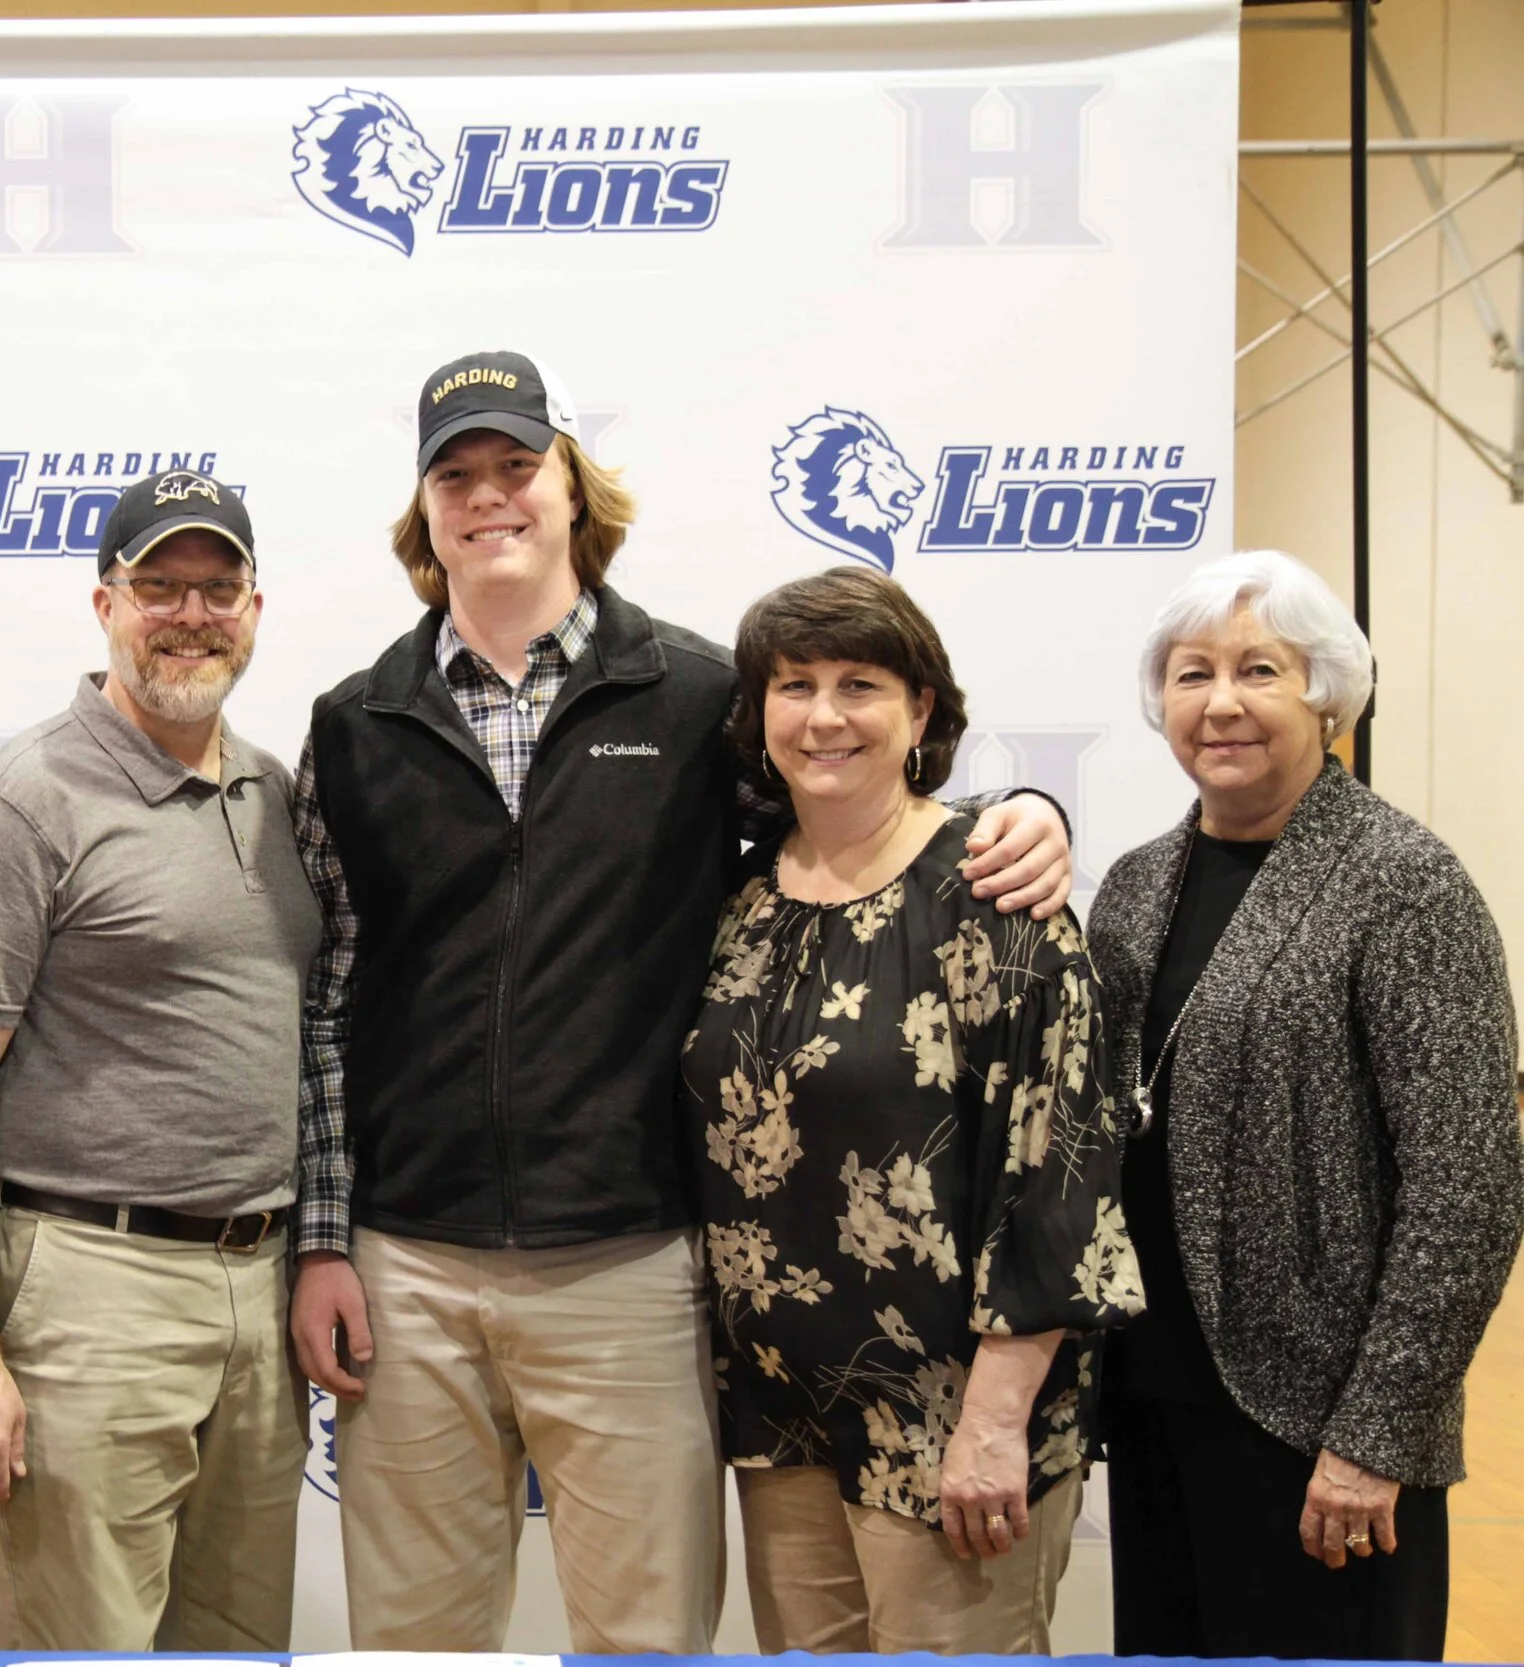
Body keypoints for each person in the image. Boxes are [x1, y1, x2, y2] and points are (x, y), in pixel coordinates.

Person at [289, 348, 1078, 1653]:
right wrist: (325, 1237)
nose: (487, 495)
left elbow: (856, 820)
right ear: (422, 510)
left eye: (516, 463)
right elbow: (327, 996)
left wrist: (1017, 812)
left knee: (646, 1643)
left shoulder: (703, 698)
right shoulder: (353, 723)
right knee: (415, 1647)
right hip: (405, 1267)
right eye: (454, 473)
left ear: (571, 487)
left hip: (633, 1261)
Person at [682, 565, 1140, 1653]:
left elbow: (1059, 1181)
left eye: (861, 684)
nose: (824, 716)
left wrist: (994, 1423)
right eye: (794, 685)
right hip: (779, 1415)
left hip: (952, 1423)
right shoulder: (739, 898)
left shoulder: (998, 896)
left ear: (921, 708)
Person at [0, 470, 319, 1651]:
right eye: (158, 587)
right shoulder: (24, 800)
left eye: (217, 587)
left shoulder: (275, 790)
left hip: (261, 1282)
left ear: (253, 608)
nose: (190, 614)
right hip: (91, 1289)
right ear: (105, 605)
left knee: (236, 1647)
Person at [1089, 549, 1522, 1662]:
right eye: (1192, 673)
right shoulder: (1134, 883)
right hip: (1152, 1397)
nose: (1220, 702)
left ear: (1326, 695)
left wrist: (1376, 1434)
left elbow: (1469, 1184)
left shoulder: (1403, 882)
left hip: (1319, 1426)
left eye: (1259, 670)